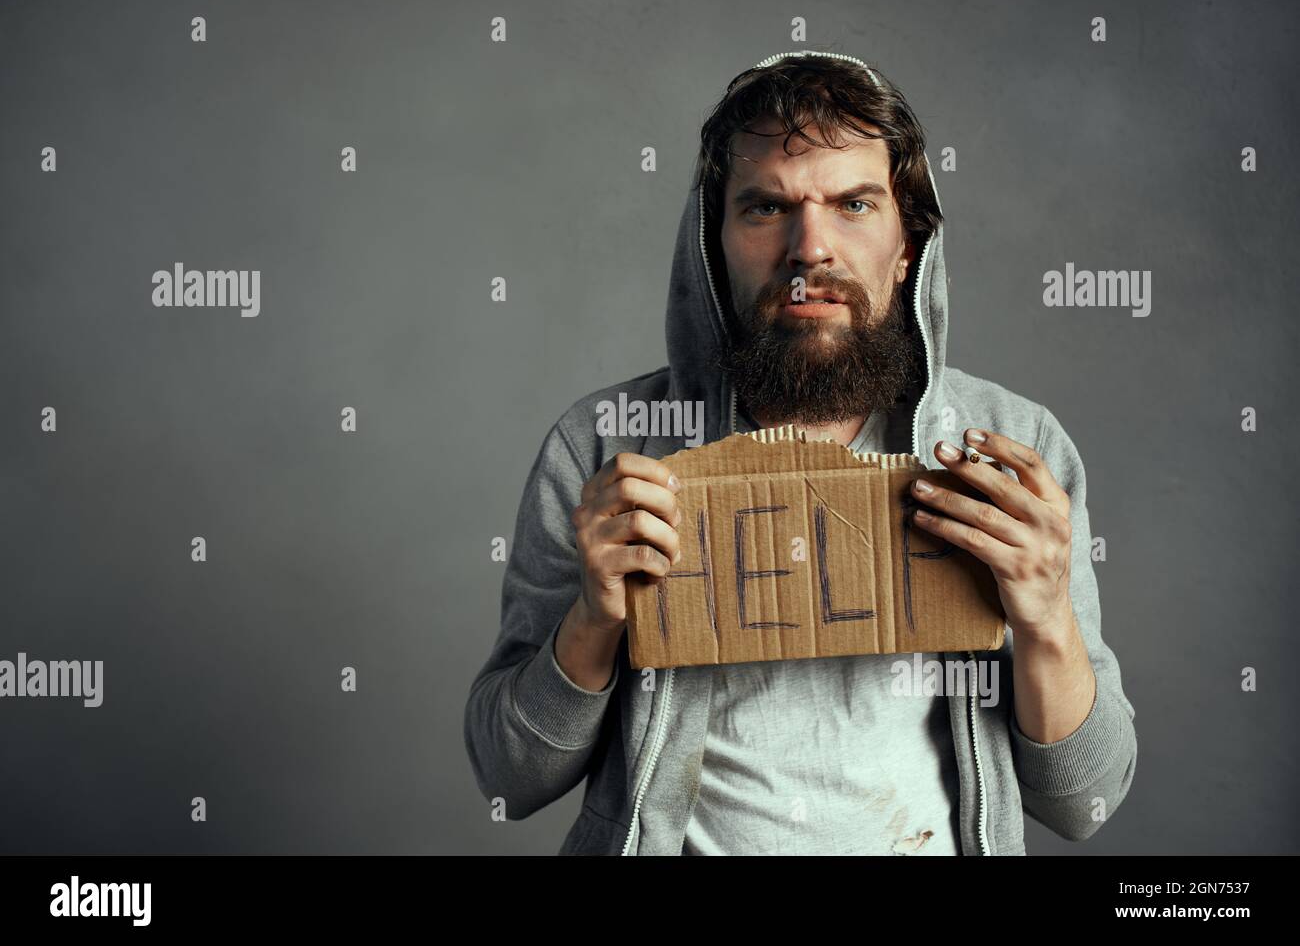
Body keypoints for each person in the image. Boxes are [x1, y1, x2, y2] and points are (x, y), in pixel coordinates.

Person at [463, 50, 1137, 855]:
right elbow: (510, 777)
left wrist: (1046, 619)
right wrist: (595, 619)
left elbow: (1085, 802)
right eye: (764, 208)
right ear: (715, 244)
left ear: (909, 243)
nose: (809, 247)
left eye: (853, 203)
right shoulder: (607, 447)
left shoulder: (1014, 453)